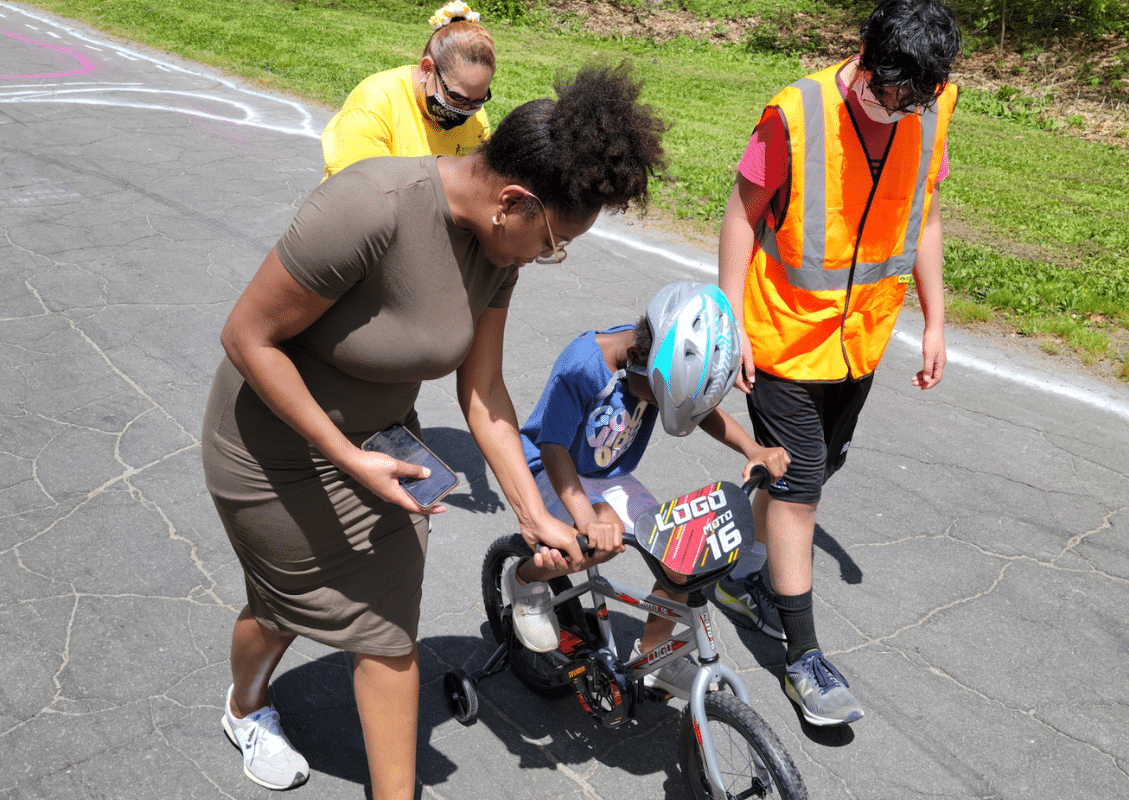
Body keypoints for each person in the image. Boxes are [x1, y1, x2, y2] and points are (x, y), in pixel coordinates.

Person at [203, 61, 666, 799]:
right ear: (512, 202)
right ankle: (246, 706)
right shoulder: (370, 205)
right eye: (551, 242)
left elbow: (482, 393)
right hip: (275, 447)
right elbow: (247, 337)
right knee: (281, 608)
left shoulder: (497, 251)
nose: (548, 259)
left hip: (385, 446)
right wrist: (344, 455)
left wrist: (534, 511)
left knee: (386, 633)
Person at [716, 0, 960, 726]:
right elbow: (740, 213)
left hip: (861, 341)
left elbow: (927, 212)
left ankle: (741, 571)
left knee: (808, 466)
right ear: (863, 51)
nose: (896, 107)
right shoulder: (795, 114)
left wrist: (936, 317)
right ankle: (803, 659)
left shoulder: (932, 107)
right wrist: (731, 323)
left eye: (912, 97)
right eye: (886, 89)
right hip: (782, 337)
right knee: (804, 482)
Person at [504, 281, 790, 697]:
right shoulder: (583, 367)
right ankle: (526, 581)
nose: (658, 404)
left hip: (609, 475)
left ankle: (655, 657)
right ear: (636, 358)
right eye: (659, 397)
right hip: (554, 468)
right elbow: (553, 448)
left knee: (680, 555)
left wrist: (753, 449)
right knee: (585, 547)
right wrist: (587, 517)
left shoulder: (659, 362)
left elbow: (703, 411)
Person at [321, 1, 494, 179]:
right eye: (456, 98)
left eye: (479, 101)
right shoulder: (374, 103)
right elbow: (366, 191)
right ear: (427, 69)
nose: (466, 110)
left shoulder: (476, 116)